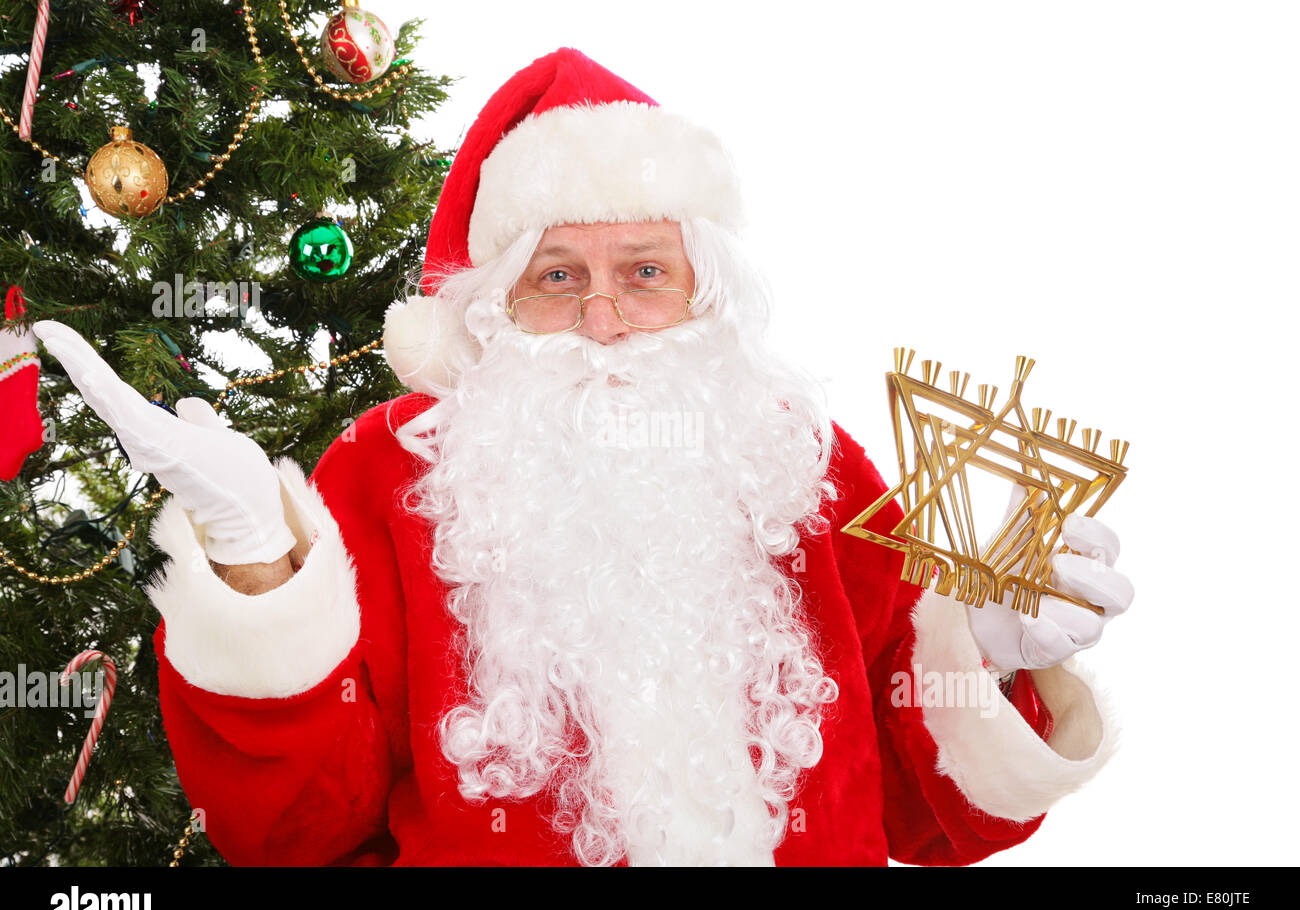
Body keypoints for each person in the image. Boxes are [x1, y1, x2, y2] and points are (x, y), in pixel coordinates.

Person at [33, 47, 1133, 866]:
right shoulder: (387, 470)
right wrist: (257, 569)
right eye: (558, 276)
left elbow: (922, 813)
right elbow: (302, 828)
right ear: (491, 300)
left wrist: (978, 655)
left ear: (705, 286)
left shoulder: (799, 458)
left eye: (644, 270)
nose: (605, 318)